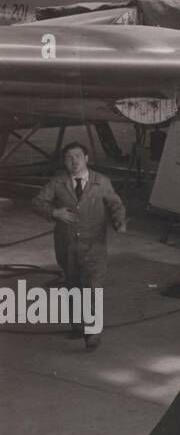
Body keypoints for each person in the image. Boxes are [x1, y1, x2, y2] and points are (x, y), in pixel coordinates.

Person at [32, 142, 126, 350]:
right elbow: (38, 201)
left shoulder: (102, 182)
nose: (74, 162)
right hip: (67, 245)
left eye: (77, 156)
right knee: (73, 286)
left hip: (94, 246)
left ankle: (92, 332)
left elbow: (116, 205)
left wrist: (119, 220)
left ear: (86, 158)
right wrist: (55, 213)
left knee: (92, 287)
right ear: (65, 162)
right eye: (69, 158)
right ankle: (77, 325)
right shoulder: (57, 182)